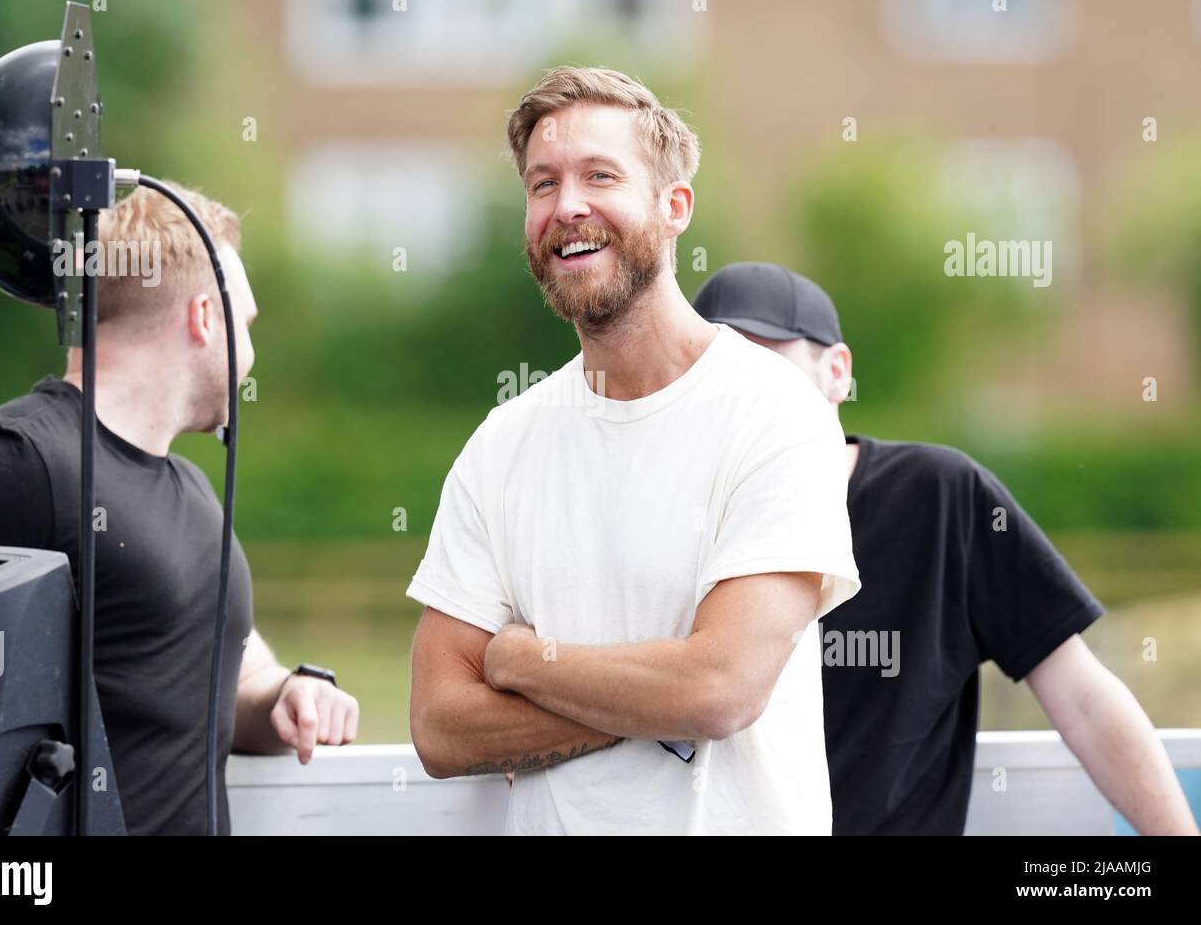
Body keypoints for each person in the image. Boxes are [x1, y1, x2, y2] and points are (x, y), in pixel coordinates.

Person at [406, 67, 861, 835]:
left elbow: (721, 688)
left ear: (674, 206)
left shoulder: (778, 414)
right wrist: (654, 698)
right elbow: (440, 725)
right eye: (542, 183)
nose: (567, 206)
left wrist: (522, 664)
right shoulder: (501, 446)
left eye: (600, 175)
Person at [0, 181, 360, 835]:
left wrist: (288, 692)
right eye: (247, 326)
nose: (250, 358)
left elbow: (217, 674)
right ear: (204, 317)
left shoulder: (196, 497)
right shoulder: (11, 466)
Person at [693, 260, 1200, 836]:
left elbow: (1083, 698)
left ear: (837, 371)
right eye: (718, 374)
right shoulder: (680, 523)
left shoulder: (940, 498)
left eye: (766, 363)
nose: (743, 391)